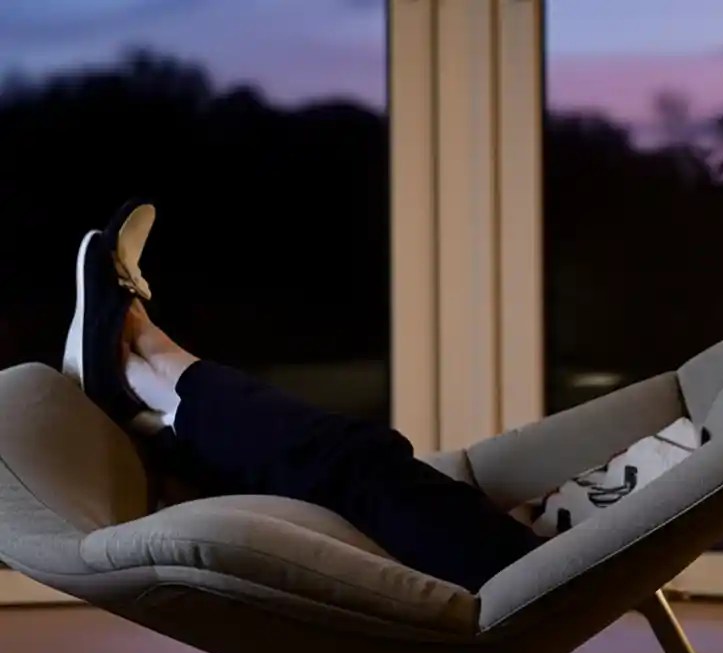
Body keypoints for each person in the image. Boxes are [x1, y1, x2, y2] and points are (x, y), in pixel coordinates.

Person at [62, 200, 542, 593]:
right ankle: (153, 377)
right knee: (358, 456)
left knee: (353, 458)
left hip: (522, 570)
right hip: (527, 549)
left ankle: (148, 368)